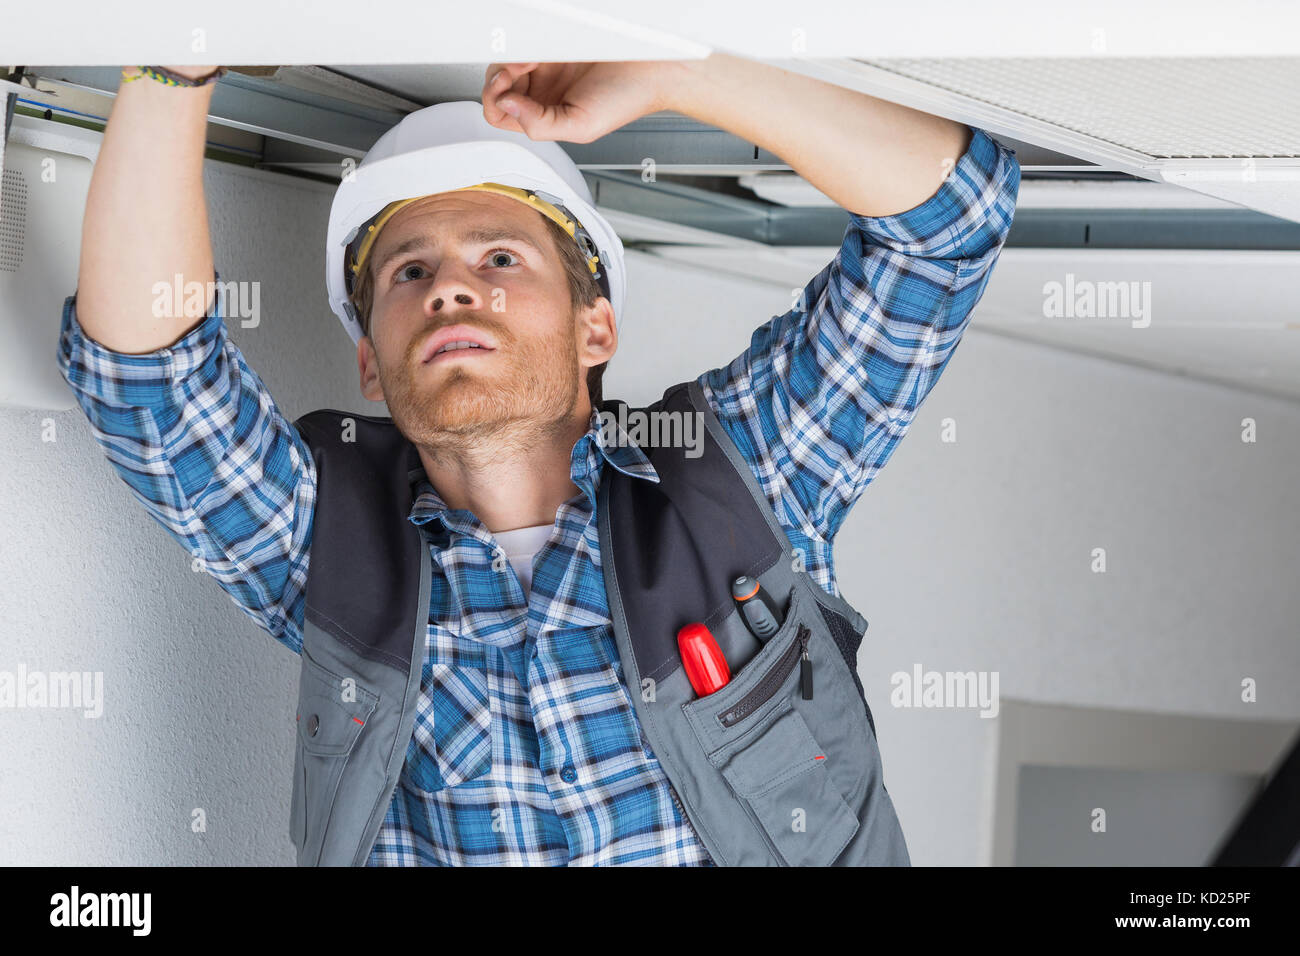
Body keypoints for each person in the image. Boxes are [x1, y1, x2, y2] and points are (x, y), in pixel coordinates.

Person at [57, 55, 1020, 865]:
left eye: (502, 259)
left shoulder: (739, 482)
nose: (449, 292)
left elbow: (947, 228)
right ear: (370, 364)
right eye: (409, 271)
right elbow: (143, 383)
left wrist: (681, 67)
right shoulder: (333, 555)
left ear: (595, 325)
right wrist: (176, 60)